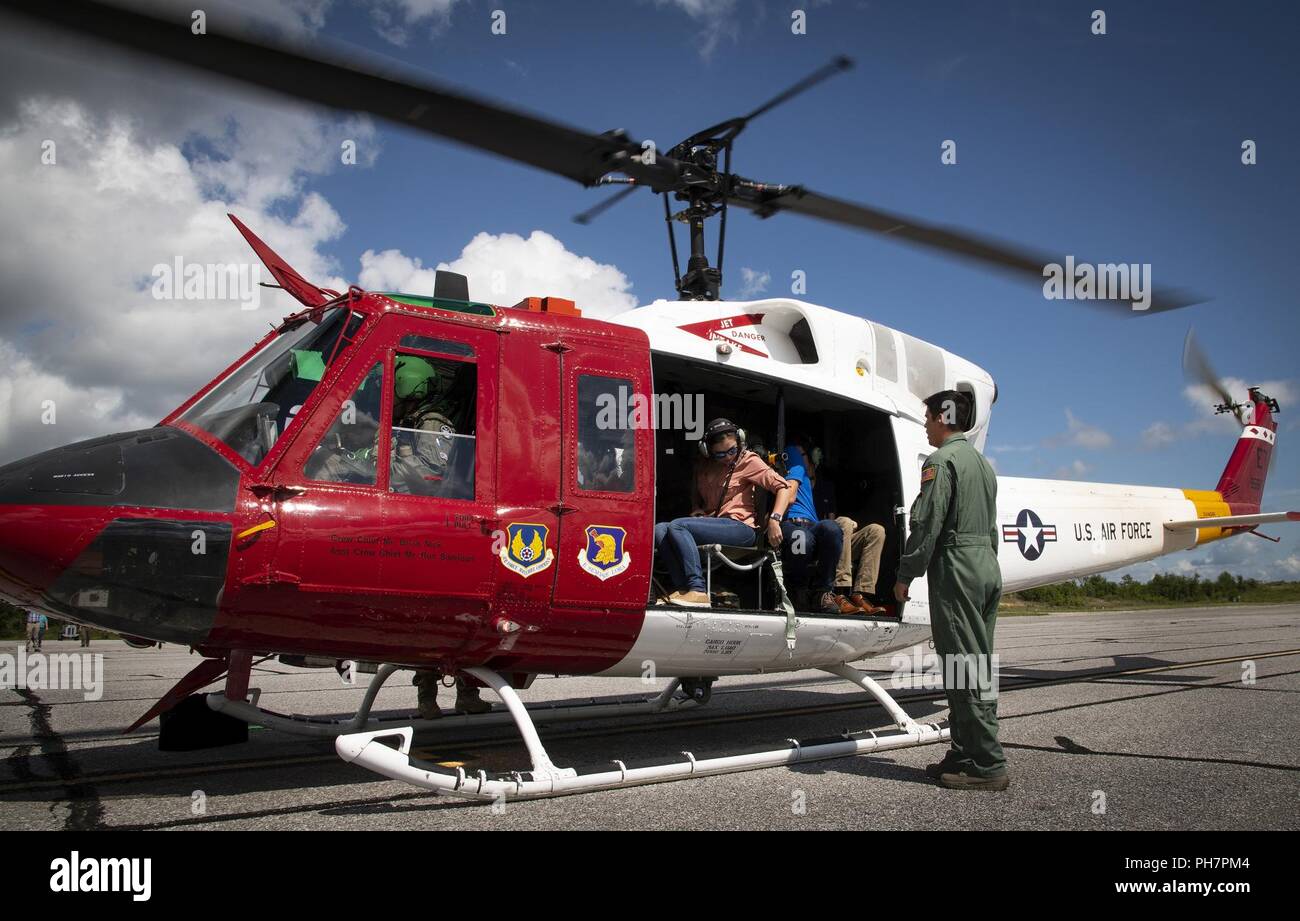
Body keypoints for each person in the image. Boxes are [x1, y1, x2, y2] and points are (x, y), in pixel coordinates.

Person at [894, 390, 1007, 791]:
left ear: (943, 416)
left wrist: (906, 574)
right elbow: (990, 527)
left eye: (927, 417)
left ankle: (987, 764)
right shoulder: (981, 464)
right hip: (985, 567)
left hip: (958, 567)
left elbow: (927, 524)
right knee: (974, 663)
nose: (925, 424)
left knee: (966, 666)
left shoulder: (942, 462)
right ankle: (964, 752)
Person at [653, 418, 795, 607]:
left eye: (732, 450)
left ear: (740, 442)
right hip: (716, 523)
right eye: (720, 454)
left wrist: (774, 520)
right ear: (708, 450)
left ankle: (698, 589)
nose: (728, 457)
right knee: (660, 529)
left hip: (741, 528)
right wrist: (697, 508)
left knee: (678, 526)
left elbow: (784, 488)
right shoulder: (704, 465)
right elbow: (696, 489)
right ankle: (685, 590)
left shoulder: (748, 460)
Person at [812, 453, 889, 615]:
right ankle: (841, 592)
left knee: (876, 530)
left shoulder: (826, 487)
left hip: (836, 541)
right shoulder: (798, 485)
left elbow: (832, 519)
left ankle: (860, 593)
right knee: (844, 522)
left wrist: (847, 527)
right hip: (816, 540)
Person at [779, 434, 845, 616]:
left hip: (812, 524)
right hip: (790, 523)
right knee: (802, 538)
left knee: (832, 528)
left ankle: (822, 592)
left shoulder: (806, 478)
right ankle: (797, 590)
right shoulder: (783, 472)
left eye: (803, 456)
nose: (798, 459)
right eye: (795, 456)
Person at [390, 354, 469, 499]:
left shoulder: (431, 422)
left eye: (390, 391)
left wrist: (380, 471)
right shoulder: (409, 421)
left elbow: (428, 473)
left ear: (407, 388)